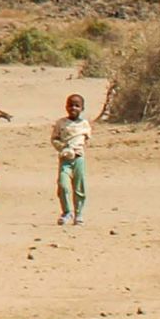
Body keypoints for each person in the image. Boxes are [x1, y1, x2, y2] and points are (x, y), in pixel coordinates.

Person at [53, 90, 90, 227]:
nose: (73, 108)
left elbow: (84, 139)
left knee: (79, 186)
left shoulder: (84, 124)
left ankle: (79, 213)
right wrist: (63, 147)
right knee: (62, 185)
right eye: (70, 105)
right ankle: (67, 211)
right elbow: (54, 139)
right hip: (65, 159)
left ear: (82, 108)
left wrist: (75, 149)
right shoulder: (61, 123)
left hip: (78, 158)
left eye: (77, 105)